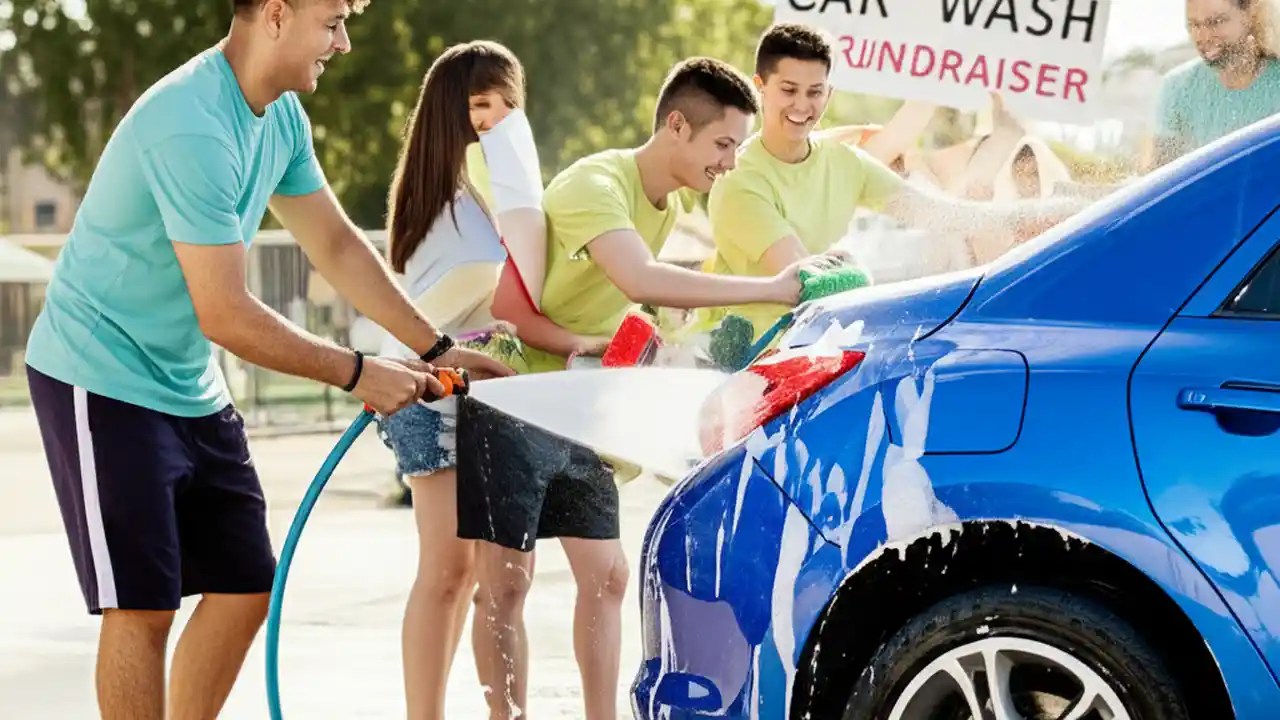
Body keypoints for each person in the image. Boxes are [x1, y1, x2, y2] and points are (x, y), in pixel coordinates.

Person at [21, 3, 510, 719]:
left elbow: (338, 246)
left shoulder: (279, 119)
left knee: (246, 583)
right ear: (277, 14)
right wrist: (354, 372)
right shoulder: (191, 122)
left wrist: (435, 347)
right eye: (333, 21)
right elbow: (224, 311)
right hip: (100, 373)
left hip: (185, 379)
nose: (342, 43)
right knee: (142, 606)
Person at [467, 56, 814, 720]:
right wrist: (771, 286)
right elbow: (638, 277)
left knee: (608, 576)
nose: (730, 162)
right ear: (677, 126)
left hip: (583, 408)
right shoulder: (595, 182)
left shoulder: (667, 205)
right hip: (513, 397)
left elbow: (645, 290)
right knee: (505, 586)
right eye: (722, 144)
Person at [377, 39, 584, 720]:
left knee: (498, 580)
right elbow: (493, 291)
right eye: (480, 105)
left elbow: (528, 274)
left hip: (485, 395)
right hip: (429, 390)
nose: (495, 119)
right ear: (450, 112)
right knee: (447, 572)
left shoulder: (483, 191)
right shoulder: (441, 203)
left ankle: (508, 714)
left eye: (507, 105)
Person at [701, 22, 1084, 340]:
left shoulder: (845, 163)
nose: (802, 105)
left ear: (829, 93)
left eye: (814, 91)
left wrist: (1059, 216)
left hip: (816, 350)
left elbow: (945, 214)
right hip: (746, 362)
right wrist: (855, 267)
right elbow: (807, 286)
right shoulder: (739, 180)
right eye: (789, 90)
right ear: (760, 87)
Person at [1148, 0, 1280, 168]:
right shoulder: (1176, 88)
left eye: (1216, 22)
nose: (1204, 37)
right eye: (1194, 25)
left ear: (1250, 13)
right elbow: (1162, 177)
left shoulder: (1275, 83)